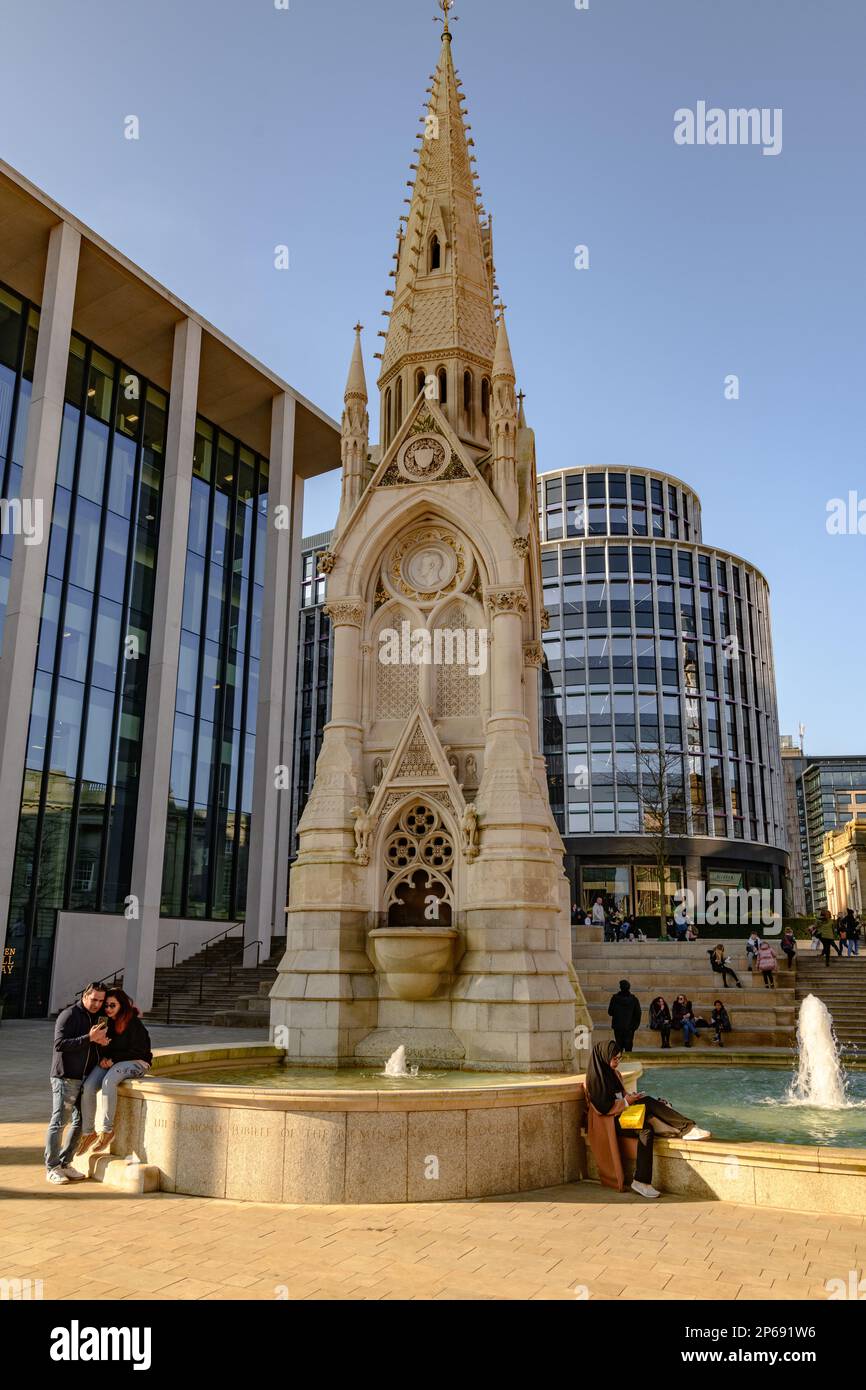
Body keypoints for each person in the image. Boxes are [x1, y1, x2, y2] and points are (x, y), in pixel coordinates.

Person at [585, 1041, 711, 1199]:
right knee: (649, 1103)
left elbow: (621, 1095)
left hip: (622, 1116)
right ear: (604, 1057)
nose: (617, 1062)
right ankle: (686, 1128)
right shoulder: (594, 1079)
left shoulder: (614, 1074)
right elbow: (603, 1108)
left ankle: (641, 1181)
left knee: (646, 1130)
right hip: (609, 1123)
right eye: (615, 1059)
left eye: (619, 1059)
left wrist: (631, 1097)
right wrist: (627, 1102)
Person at [45, 982, 108, 1185]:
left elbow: (90, 1048)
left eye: (101, 1000)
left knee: (80, 1122)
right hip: (66, 1077)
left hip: (85, 1078)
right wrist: (88, 1038)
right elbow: (59, 1044)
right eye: (94, 999)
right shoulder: (69, 1014)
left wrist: (101, 1048)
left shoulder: (96, 1018)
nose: (97, 1003)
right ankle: (52, 1167)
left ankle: (65, 1163)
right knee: (59, 1122)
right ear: (84, 996)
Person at [77, 988, 153, 1154]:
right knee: (88, 1087)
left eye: (112, 1005)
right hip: (113, 1062)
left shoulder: (133, 1022)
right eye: (106, 1005)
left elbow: (139, 1050)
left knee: (108, 1081)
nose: (108, 1009)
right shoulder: (106, 1022)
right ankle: (89, 1132)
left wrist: (113, 1059)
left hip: (136, 1062)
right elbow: (105, 1046)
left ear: (122, 1005)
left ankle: (107, 1130)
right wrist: (104, 1055)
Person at [607, 979, 641, 1053]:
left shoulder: (615, 998)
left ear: (620, 987)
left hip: (618, 1027)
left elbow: (610, 1012)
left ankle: (620, 1064)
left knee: (619, 1047)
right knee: (628, 1048)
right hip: (629, 1028)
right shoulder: (634, 1000)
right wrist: (634, 1027)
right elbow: (638, 1014)